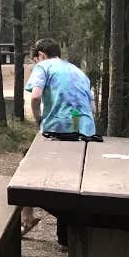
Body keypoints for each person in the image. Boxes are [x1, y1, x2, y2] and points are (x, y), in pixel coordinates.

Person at [20, 37, 97, 242]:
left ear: (41, 55)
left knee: (27, 167)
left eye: (35, 60)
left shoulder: (43, 67)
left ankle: (27, 217)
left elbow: (35, 96)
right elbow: (92, 108)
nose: (36, 63)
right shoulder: (78, 71)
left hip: (58, 130)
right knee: (71, 180)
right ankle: (64, 238)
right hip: (85, 131)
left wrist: (38, 119)